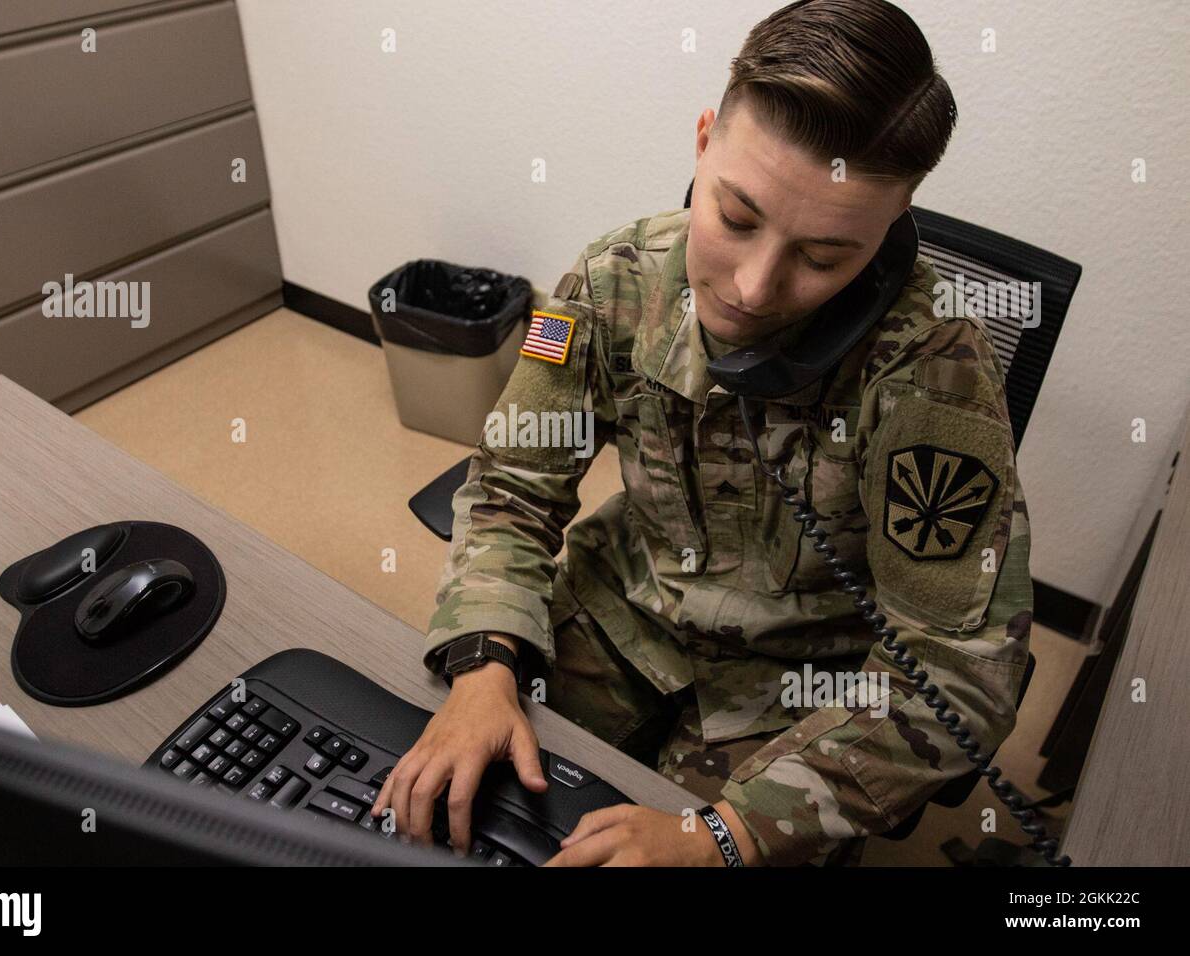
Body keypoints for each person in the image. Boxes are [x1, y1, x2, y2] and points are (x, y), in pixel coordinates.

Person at [372, 0, 1032, 867]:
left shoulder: (936, 376)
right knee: (449, 805)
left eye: (825, 258)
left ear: (892, 232)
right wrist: (486, 660)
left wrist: (730, 834)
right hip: (619, 617)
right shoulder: (611, 282)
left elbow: (957, 670)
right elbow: (510, 487)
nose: (756, 288)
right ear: (701, 143)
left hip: (802, 691)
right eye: (737, 218)